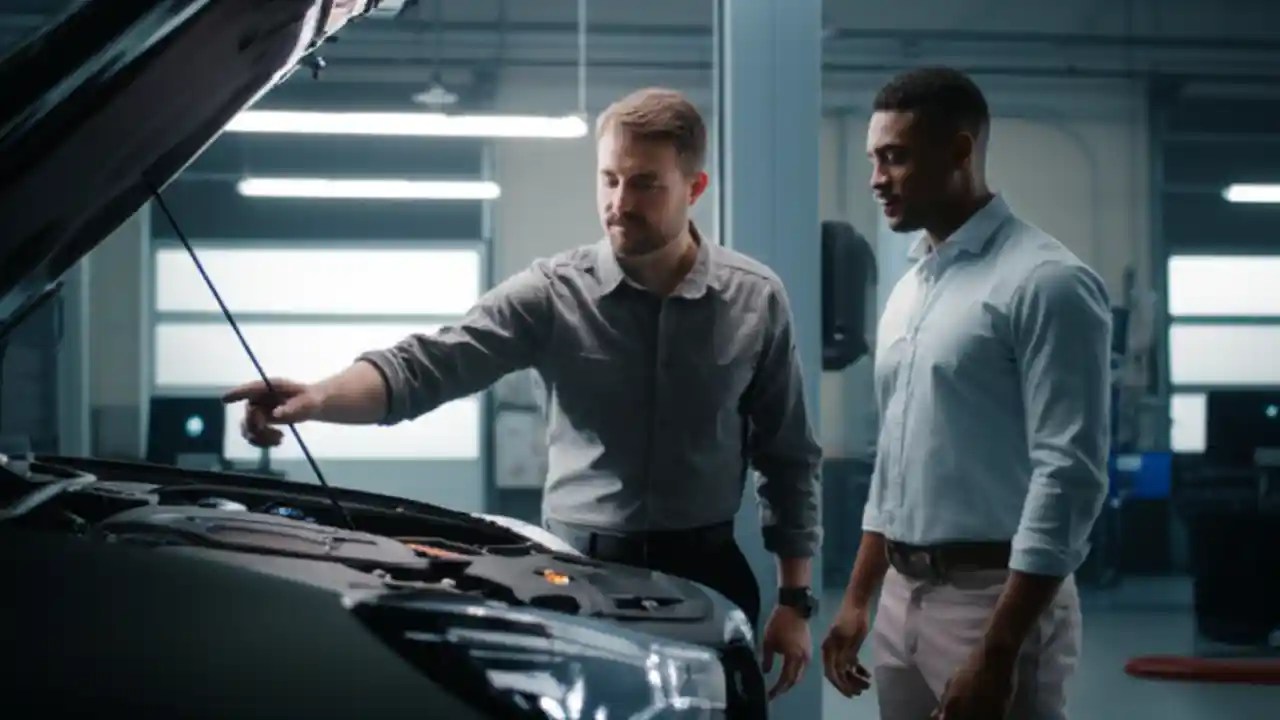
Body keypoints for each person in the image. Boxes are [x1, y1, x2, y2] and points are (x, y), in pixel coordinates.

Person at [223, 87, 823, 700]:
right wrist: (319, 398)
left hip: (707, 573)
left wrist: (795, 600)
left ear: (694, 188)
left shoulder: (756, 298)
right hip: (579, 573)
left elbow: (788, 455)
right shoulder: (553, 293)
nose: (619, 204)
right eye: (609, 179)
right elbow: (429, 365)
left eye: (645, 184)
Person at [820, 67, 1112, 720]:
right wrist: (860, 600)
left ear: (960, 151)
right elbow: (892, 463)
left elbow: (1069, 475)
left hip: (995, 600)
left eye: (894, 157)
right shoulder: (910, 290)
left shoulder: (1046, 282)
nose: (876, 179)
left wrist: (1000, 648)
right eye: (873, 158)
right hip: (902, 596)